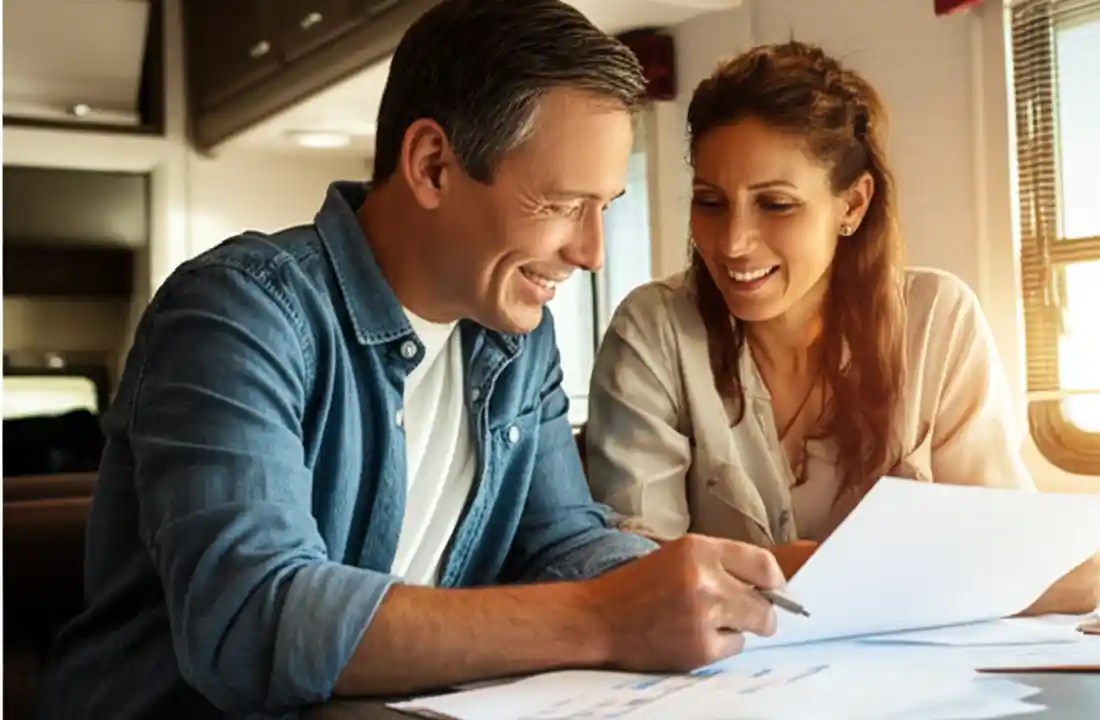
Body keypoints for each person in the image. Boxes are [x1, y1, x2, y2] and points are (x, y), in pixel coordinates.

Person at [38, 3, 787, 717]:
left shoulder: (518, 341)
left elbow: (564, 541)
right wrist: (605, 616)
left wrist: (705, 583)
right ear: (432, 165)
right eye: (562, 204)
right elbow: (251, 622)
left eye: (605, 207)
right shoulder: (240, 312)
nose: (590, 252)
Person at [584, 41, 1100, 614]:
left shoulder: (938, 320)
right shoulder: (652, 331)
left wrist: (778, 572)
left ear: (853, 205)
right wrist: (903, 569)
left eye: (776, 205)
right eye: (710, 202)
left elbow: (1061, 572)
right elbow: (639, 575)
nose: (732, 242)